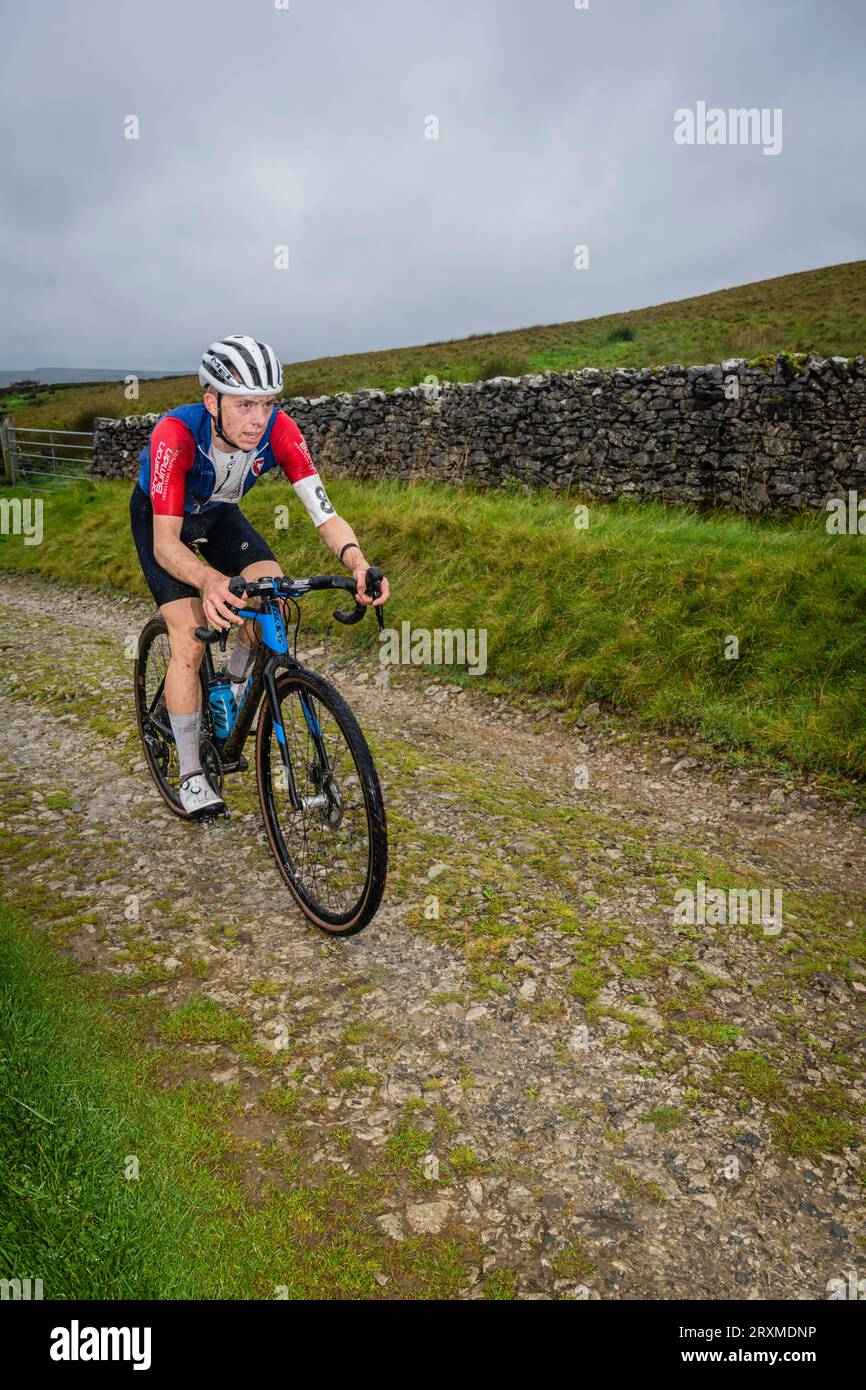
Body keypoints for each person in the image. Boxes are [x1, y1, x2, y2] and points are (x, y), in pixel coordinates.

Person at [130, 333, 389, 818]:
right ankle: (190, 774)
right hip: (161, 522)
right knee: (189, 637)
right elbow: (166, 544)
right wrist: (208, 582)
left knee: (272, 597)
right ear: (213, 400)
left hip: (220, 515)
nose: (258, 419)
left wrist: (357, 563)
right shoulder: (176, 435)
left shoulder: (282, 431)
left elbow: (325, 514)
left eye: (267, 404)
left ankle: (230, 687)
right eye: (245, 404)